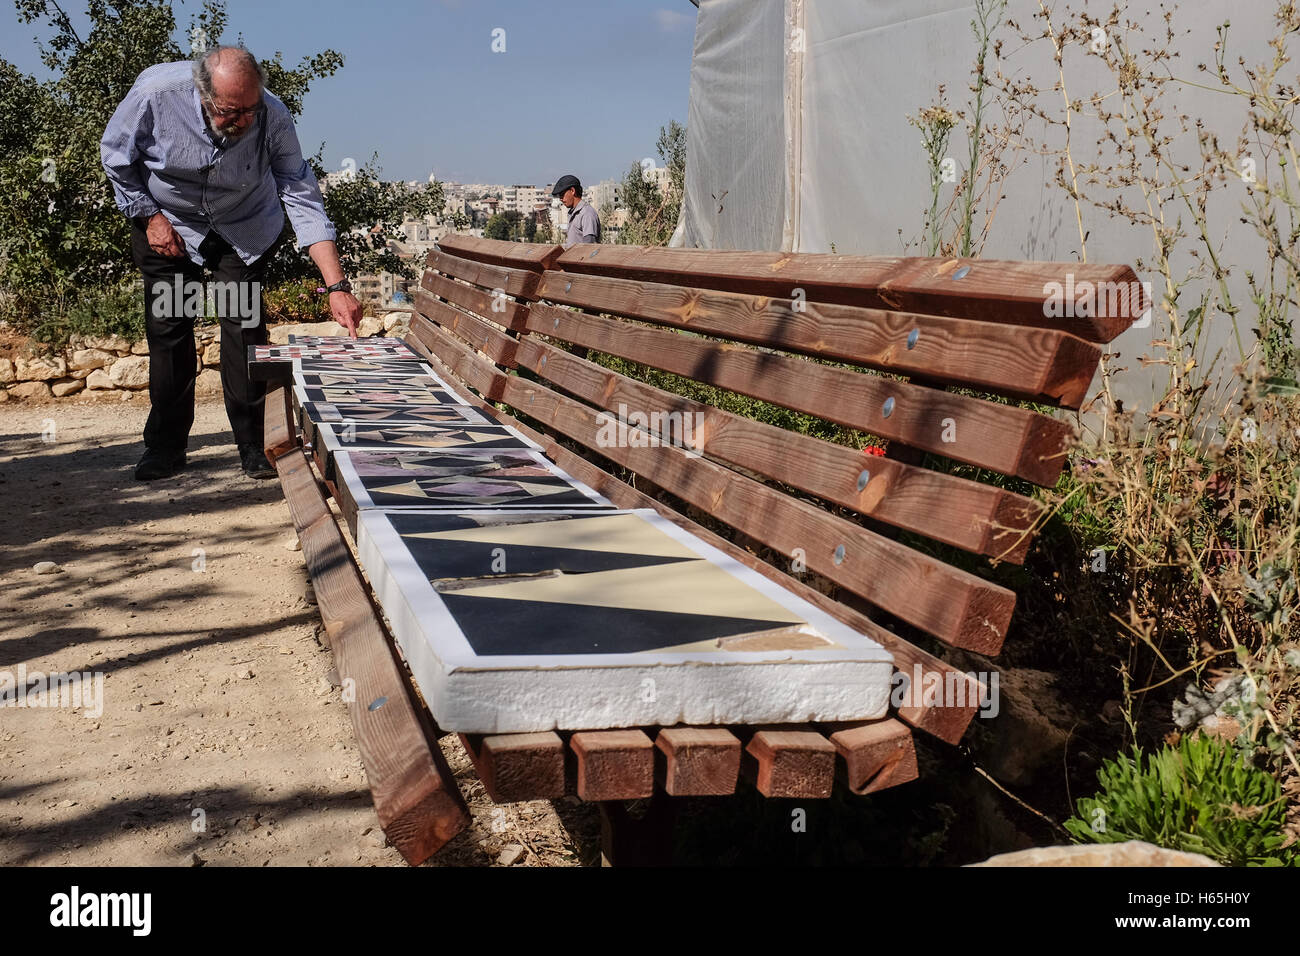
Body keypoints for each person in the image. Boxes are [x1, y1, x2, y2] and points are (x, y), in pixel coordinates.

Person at [100, 45, 362, 481]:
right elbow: (116, 157)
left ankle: (254, 444)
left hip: (241, 226)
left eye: (249, 110)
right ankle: (165, 446)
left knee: (243, 328)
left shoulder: (273, 115)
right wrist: (149, 216)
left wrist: (336, 285)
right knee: (171, 325)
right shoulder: (156, 93)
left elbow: (299, 191)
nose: (241, 121)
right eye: (228, 111)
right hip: (170, 224)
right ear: (203, 95)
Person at [551, 175, 600, 247]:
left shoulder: (587, 213)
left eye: (562, 194)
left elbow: (589, 246)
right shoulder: (574, 213)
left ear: (572, 191)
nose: (560, 199)